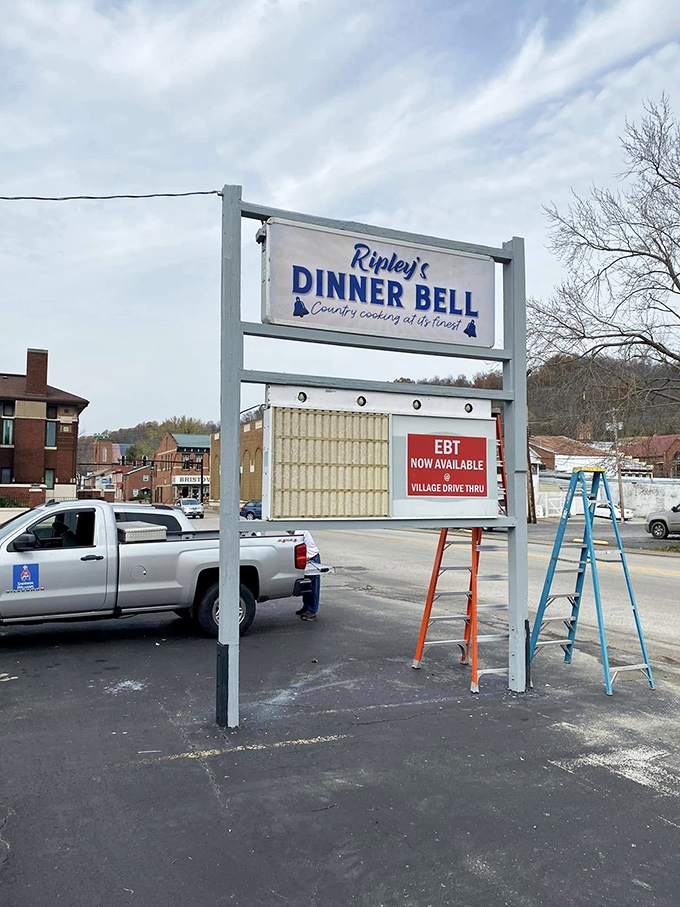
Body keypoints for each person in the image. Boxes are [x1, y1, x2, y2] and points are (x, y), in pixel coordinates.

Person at [288, 529, 321, 621]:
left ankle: (312, 610)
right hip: (305, 560)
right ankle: (306, 607)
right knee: (307, 586)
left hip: (312, 558)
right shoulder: (294, 533)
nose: (287, 532)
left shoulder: (300, 532)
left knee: (313, 586)